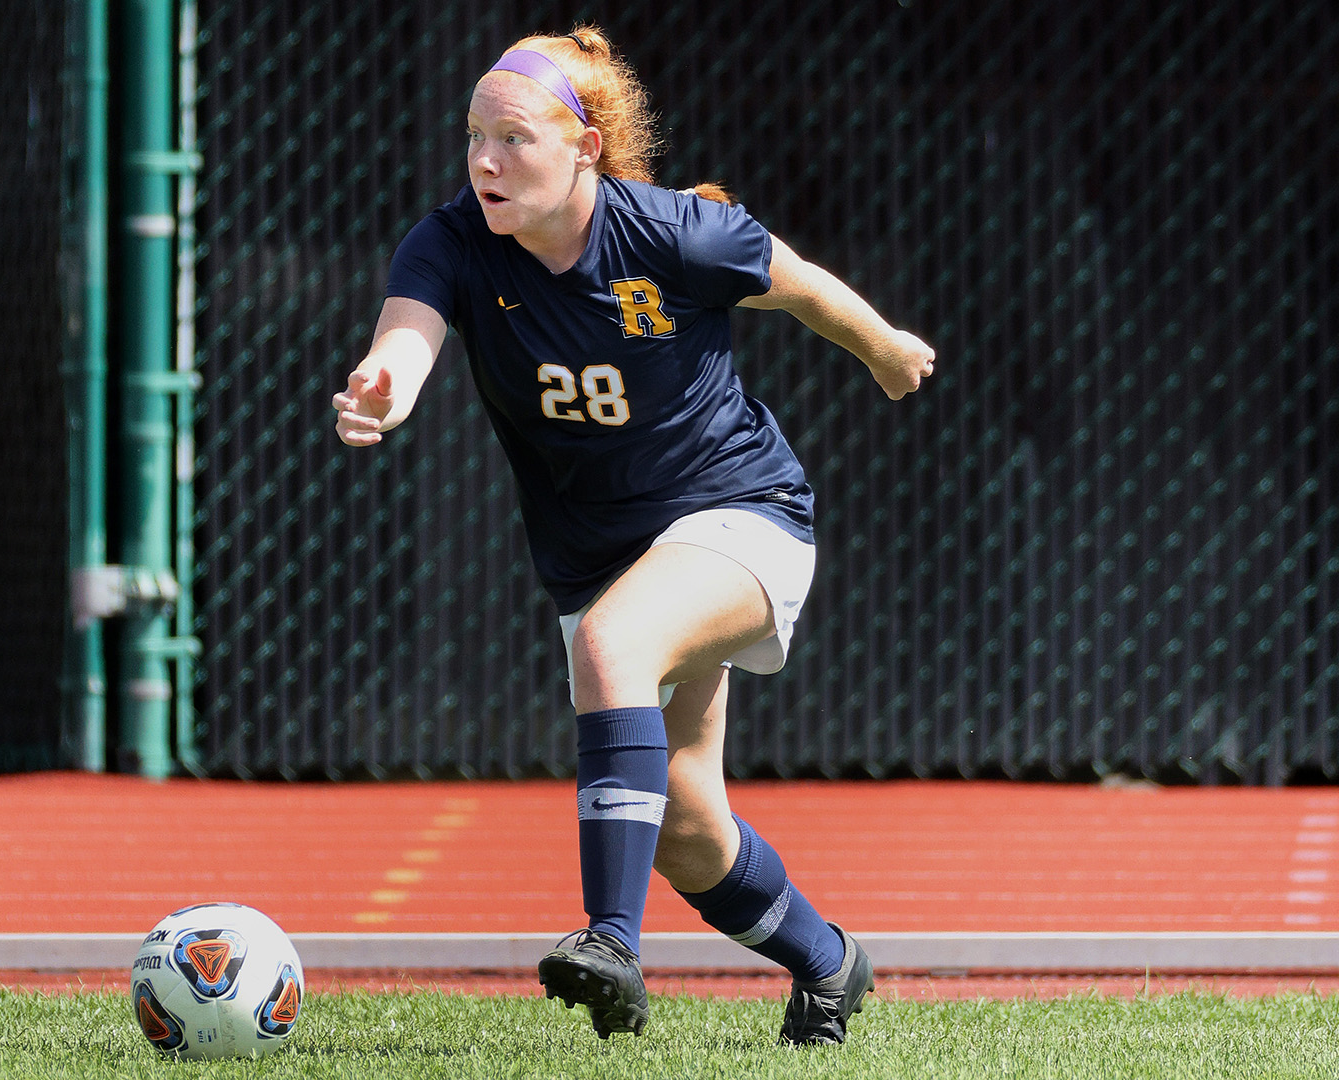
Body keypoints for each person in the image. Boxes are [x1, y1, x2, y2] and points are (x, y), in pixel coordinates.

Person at [334, 25, 933, 1045]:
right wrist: (380, 393)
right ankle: (829, 965)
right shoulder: (450, 243)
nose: (485, 160)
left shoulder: (672, 235)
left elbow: (801, 285)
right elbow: (407, 339)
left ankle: (611, 942)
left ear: (585, 149)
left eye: (514, 138)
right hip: (603, 558)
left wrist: (884, 347)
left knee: (617, 646)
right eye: (475, 136)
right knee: (689, 830)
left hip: (741, 513)